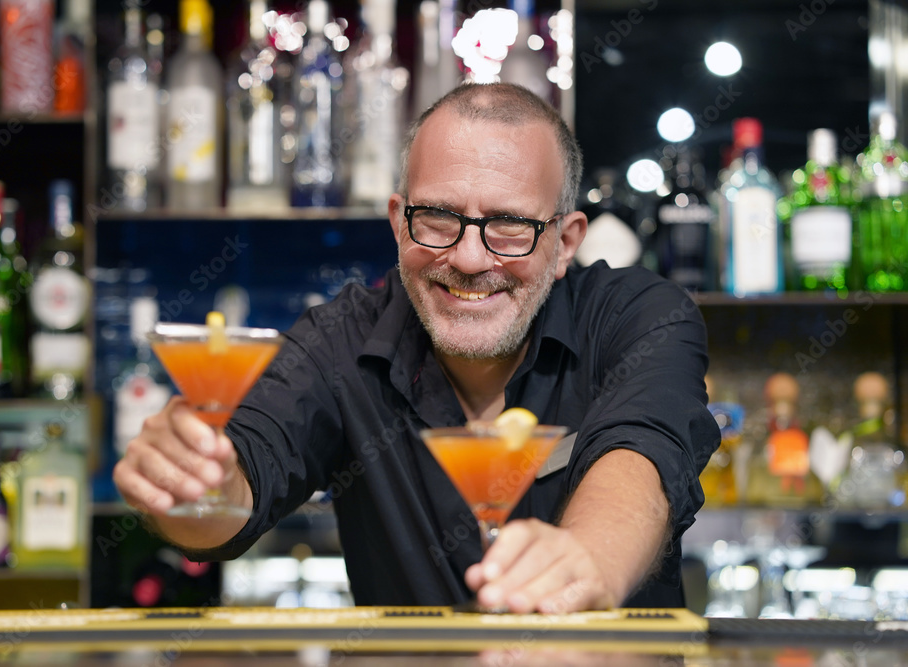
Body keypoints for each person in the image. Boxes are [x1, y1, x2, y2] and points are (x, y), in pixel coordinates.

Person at [114, 82, 720, 612]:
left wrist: (587, 556)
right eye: (437, 216)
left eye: (510, 224)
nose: (469, 258)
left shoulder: (640, 318)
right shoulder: (340, 343)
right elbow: (243, 479)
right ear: (399, 222)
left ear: (564, 243)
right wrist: (191, 486)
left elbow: (644, 454)